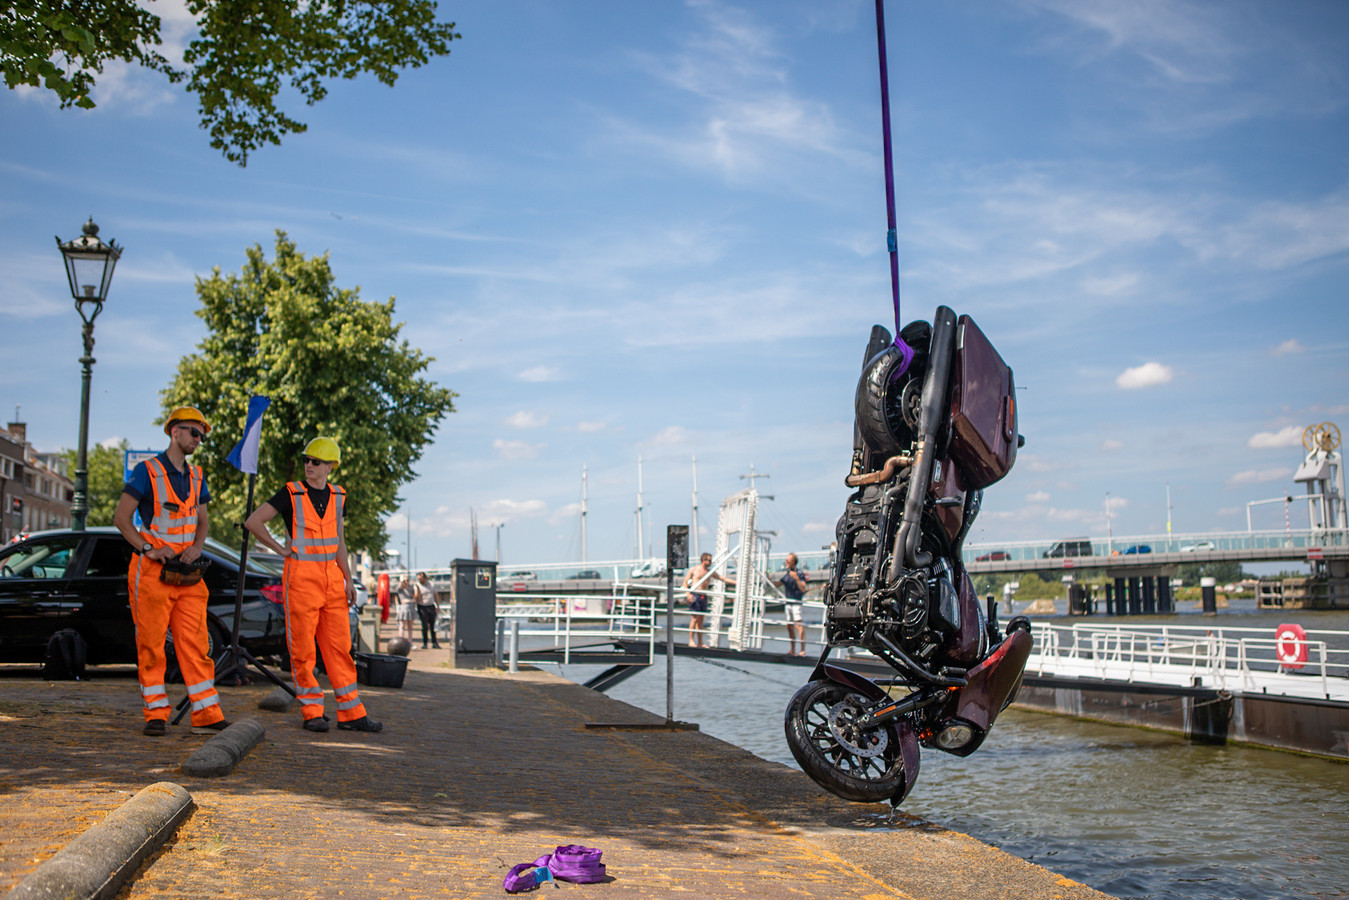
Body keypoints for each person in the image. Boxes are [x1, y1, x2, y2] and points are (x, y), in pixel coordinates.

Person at [244, 437, 382, 734]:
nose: (309, 465)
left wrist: (347, 578)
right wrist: (279, 549)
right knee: (303, 651)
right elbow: (254, 522)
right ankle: (312, 712)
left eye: (316, 461)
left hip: (332, 579)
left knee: (341, 649)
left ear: (331, 466)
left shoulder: (339, 497)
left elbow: (340, 543)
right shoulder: (291, 493)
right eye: (307, 460)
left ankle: (352, 713)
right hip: (301, 579)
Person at [112, 406, 229, 736]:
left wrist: (198, 546)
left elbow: (203, 523)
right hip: (152, 572)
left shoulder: (197, 476)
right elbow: (122, 519)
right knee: (150, 644)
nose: (198, 439)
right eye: (194, 432)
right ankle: (155, 714)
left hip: (188, 573)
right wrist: (150, 548)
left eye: (202, 436)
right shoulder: (146, 471)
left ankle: (206, 714)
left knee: (196, 644)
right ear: (174, 432)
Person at [681, 552, 734, 648]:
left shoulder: (710, 572)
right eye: (708, 560)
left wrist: (736, 582)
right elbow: (685, 582)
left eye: (710, 560)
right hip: (695, 594)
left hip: (703, 596)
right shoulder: (694, 570)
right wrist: (688, 594)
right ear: (703, 560)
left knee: (701, 619)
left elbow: (722, 578)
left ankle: (700, 642)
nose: (710, 562)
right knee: (695, 618)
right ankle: (691, 641)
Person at [780, 553, 809, 656]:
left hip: (796, 603)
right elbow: (779, 583)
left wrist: (796, 578)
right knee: (790, 626)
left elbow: (803, 588)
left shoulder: (799, 574)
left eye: (787, 561)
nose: (786, 563)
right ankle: (792, 649)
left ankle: (802, 650)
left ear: (793, 562)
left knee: (798, 626)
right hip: (788, 603)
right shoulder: (787, 575)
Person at [415, 571, 440, 649]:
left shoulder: (431, 584)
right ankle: (425, 643)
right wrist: (418, 590)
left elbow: (435, 595)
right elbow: (417, 598)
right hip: (422, 606)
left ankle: (434, 643)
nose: (419, 580)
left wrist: (438, 605)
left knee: (433, 626)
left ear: (424, 578)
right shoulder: (417, 585)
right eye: (418, 579)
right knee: (424, 626)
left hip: (431, 606)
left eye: (421, 579)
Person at [395, 576, 417, 641]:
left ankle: (410, 642)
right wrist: (402, 582)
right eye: (405, 581)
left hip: (411, 608)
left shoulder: (411, 589)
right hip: (403, 609)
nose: (406, 582)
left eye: (407, 580)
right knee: (402, 625)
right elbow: (398, 589)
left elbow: (415, 598)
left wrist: (408, 600)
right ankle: (401, 640)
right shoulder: (401, 589)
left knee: (410, 627)